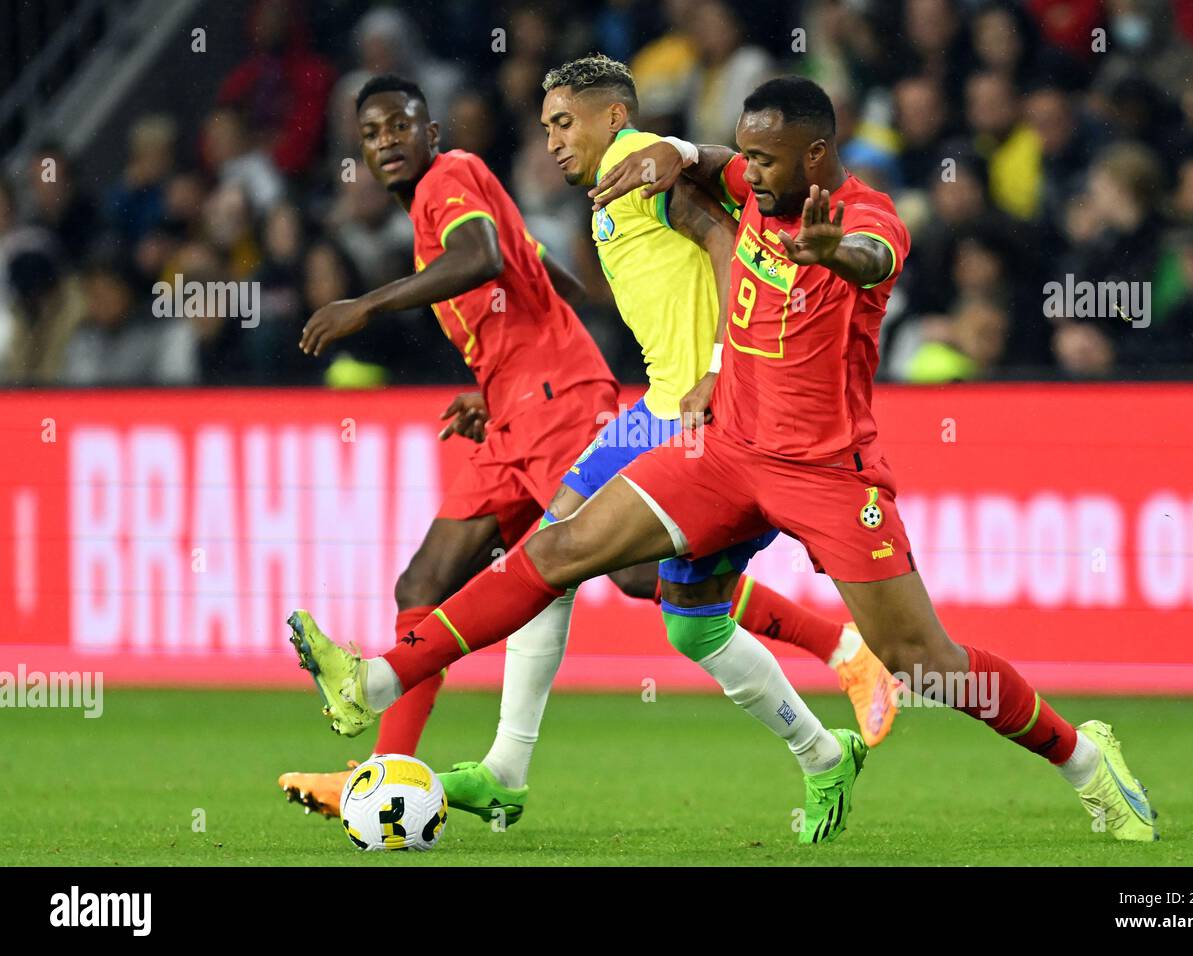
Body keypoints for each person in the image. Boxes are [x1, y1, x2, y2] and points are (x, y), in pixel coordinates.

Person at [288, 77, 1159, 845]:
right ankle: (375, 679)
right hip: (726, 451)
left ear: (816, 156)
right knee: (565, 552)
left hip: (825, 472)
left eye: (768, 160)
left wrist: (833, 253)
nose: (751, 173)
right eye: (747, 154)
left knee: (921, 660)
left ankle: (1086, 761)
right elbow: (712, 165)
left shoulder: (867, 217)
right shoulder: (752, 180)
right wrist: (677, 151)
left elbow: (875, 257)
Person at [280, 74, 896, 839]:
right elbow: (539, 270)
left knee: (606, 575)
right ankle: (505, 768)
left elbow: (723, 240)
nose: (552, 141)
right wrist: (507, 379)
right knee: (574, 570)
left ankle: (837, 665)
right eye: (546, 127)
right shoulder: (607, 194)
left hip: (690, 413)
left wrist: (714, 364)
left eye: (565, 123)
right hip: (641, 408)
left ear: (614, 116)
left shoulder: (636, 163)